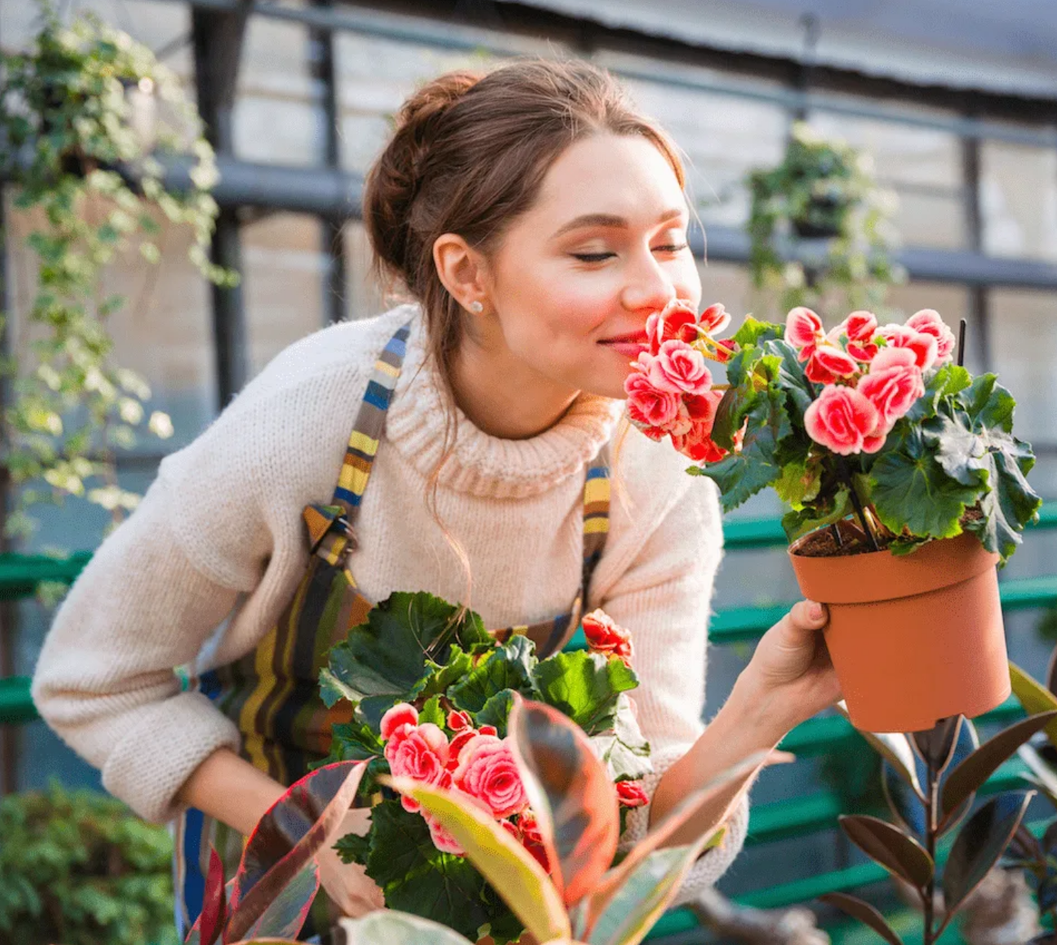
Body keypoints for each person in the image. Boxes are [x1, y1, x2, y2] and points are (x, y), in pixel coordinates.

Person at [31, 58, 841, 937]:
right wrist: (312, 826)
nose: (658, 291)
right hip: (278, 888)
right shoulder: (312, 418)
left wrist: (766, 706)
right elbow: (95, 680)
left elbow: (635, 829)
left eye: (671, 240)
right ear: (466, 274)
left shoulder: (659, 473)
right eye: (595, 251)